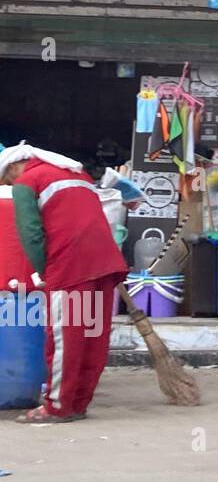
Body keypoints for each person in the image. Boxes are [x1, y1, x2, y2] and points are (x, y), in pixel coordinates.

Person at [0, 144, 128, 424]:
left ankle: (56, 407)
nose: (11, 184)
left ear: (12, 168)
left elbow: (31, 234)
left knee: (65, 338)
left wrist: (45, 271)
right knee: (92, 334)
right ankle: (77, 403)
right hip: (104, 262)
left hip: (69, 265)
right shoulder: (77, 175)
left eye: (8, 180)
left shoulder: (27, 182)